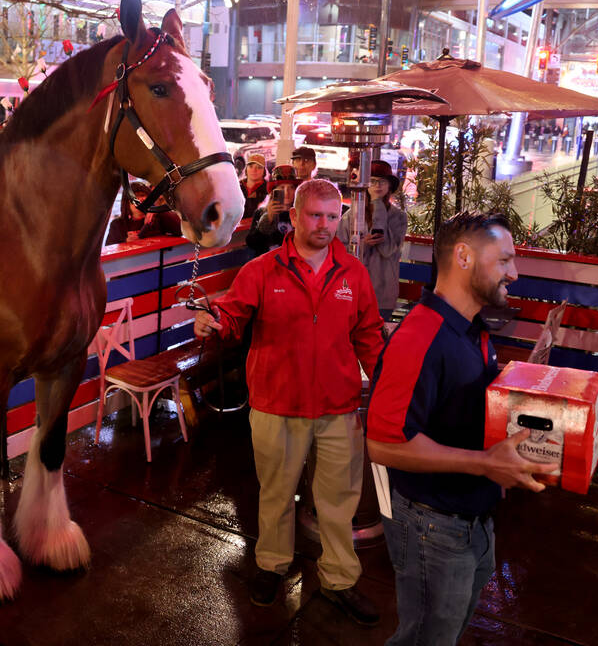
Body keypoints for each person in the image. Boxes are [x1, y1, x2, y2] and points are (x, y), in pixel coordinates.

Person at [193, 179, 384, 620]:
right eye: (315, 215)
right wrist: (214, 321)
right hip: (276, 404)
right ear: (293, 216)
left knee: (338, 501)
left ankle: (339, 580)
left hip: (338, 407)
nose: (324, 225)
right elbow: (233, 313)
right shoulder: (262, 269)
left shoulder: (353, 272)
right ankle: (272, 566)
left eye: (332, 217)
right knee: (275, 494)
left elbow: (369, 336)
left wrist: (391, 389)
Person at [367, 211, 552, 646]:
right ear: (464, 257)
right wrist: (485, 463)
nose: (515, 272)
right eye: (505, 259)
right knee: (425, 638)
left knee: (443, 634)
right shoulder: (421, 335)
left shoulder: (473, 330)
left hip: (474, 517)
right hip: (432, 525)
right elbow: (381, 443)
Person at [336, 160, 408, 321]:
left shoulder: (399, 217)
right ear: (366, 184)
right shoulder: (352, 214)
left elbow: (388, 249)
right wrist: (363, 245)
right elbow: (339, 250)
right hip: (354, 290)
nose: (378, 185)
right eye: (373, 181)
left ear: (389, 185)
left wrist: (377, 204)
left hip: (383, 292)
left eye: (383, 181)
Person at [105, 181, 181, 245]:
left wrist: (158, 212)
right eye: (135, 197)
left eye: (142, 195)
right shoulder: (118, 224)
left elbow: (179, 230)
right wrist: (126, 242)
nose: (139, 200)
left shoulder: (159, 218)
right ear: (126, 204)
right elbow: (109, 249)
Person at [241, 154, 269, 220]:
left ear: (264, 171)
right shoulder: (237, 187)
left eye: (259, 167)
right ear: (246, 169)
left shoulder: (269, 189)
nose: (254, 170)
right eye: (251, 166)